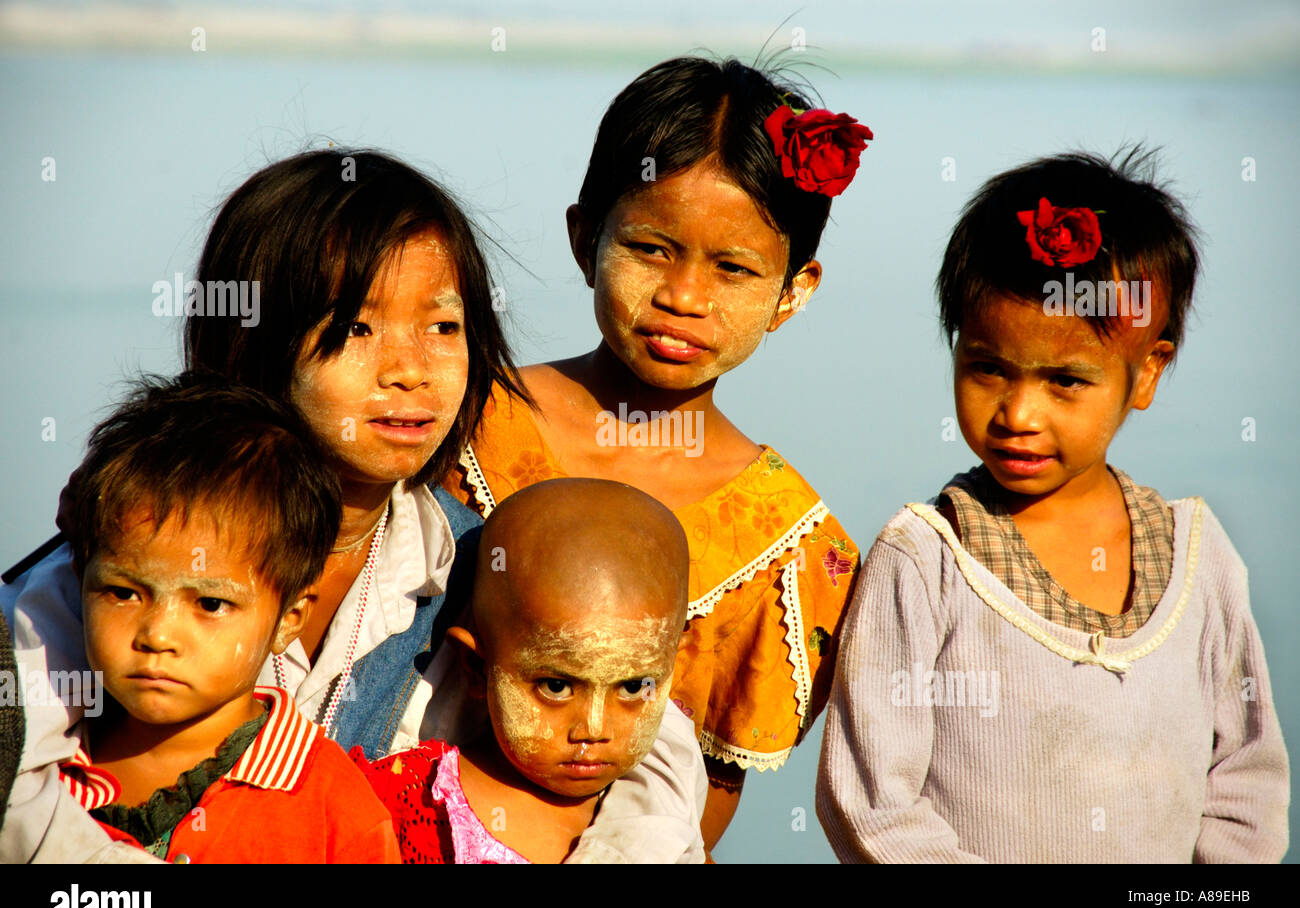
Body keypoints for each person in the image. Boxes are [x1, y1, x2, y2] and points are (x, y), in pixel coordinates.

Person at [0, 149, 705, 863]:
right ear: (254, 343)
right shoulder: (127, 558)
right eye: (357, 330)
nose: (409, 371)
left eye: (443, 328)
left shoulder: (475, 566)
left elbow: (653, 759)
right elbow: (14, 769)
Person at [439, 56, 872, 848]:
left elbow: (702, 801)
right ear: (584, 239)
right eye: (650, 249)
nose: (684, 297)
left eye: (734, 268)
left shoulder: (786, 548)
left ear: (793, 292)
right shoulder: (466, 422)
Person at [817, 149, 1289, 863]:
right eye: (987, 368)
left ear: (1147, 372)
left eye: (1065, 381)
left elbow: (1244, 782)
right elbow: (875, 805)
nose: (1017, 413)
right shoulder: (926, 560)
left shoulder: (1200, 556)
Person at [54, 375, 399, 862]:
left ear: (290, 618)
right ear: (79, 576)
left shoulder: (332, 815)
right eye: (123, 592)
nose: (158, 635)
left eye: (210, 604)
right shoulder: (37, 759)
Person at [355, 478, 694, 863]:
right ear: (477, 668)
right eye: (556, 686)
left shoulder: (664, 826)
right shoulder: (404, 804)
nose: (594, 729)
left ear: (673, 667)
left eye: (633, 687)